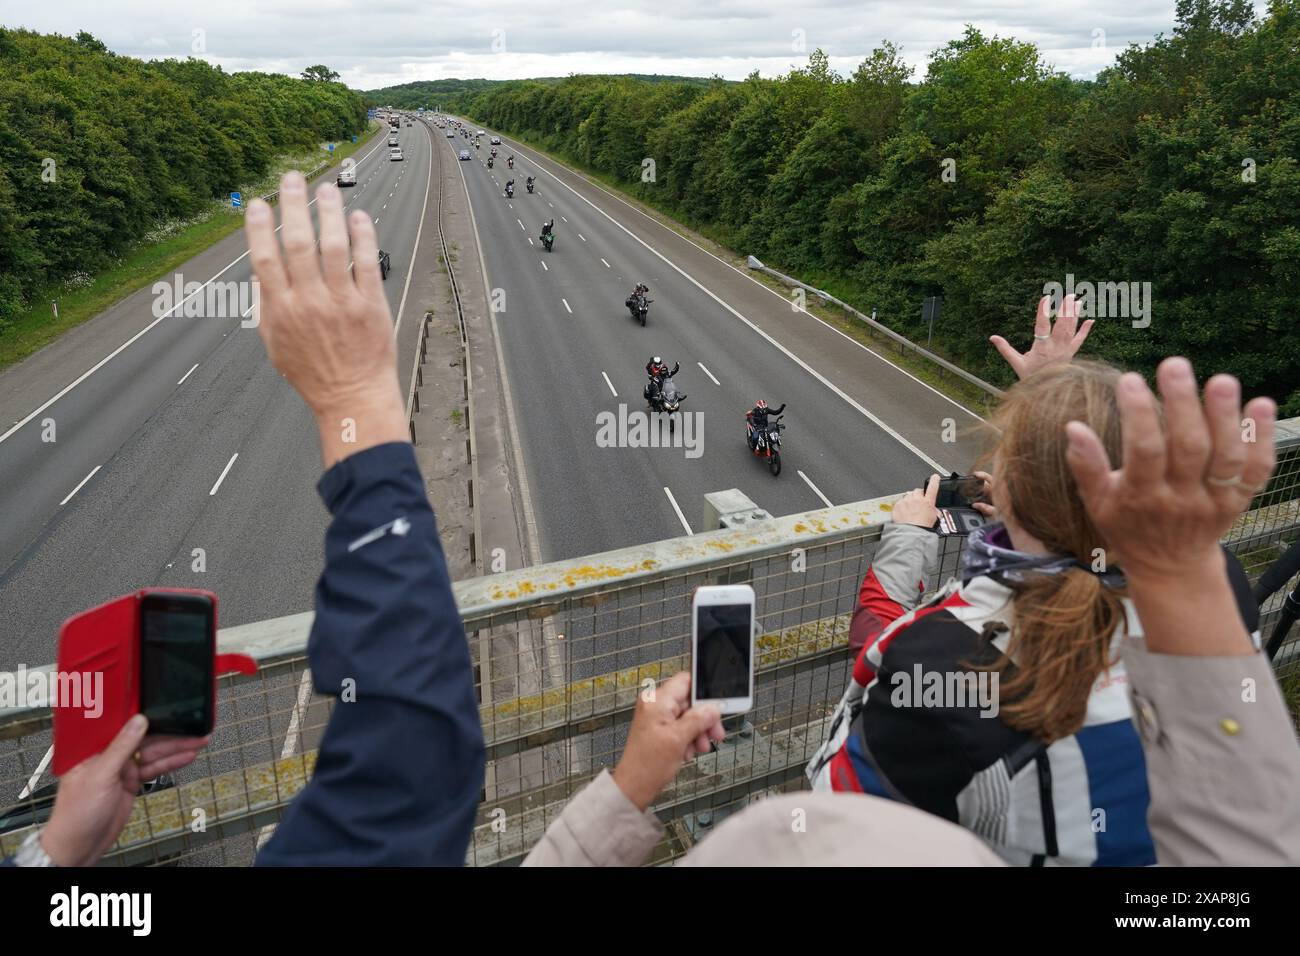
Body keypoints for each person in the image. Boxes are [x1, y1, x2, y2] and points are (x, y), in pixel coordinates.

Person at [523, 356, 1300, 867]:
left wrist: (904, 543)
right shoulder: (1211, 598)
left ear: (1003, 491)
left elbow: (836, 788)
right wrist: (1069, 413)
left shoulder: (936, 660)